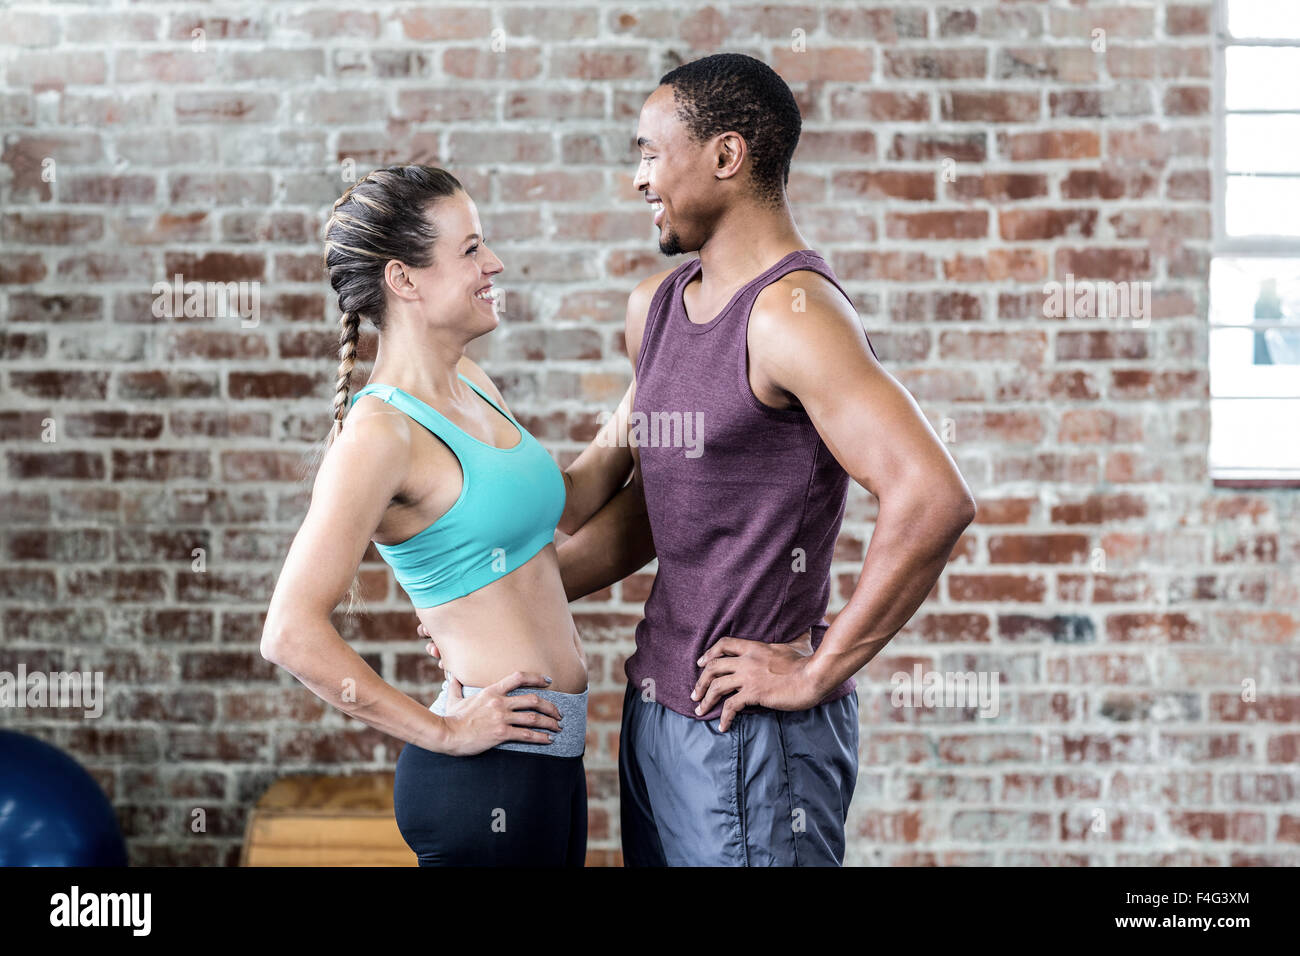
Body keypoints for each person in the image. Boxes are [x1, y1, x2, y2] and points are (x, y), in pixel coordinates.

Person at [550, 53, 978, 866]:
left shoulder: (795, 315)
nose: (640, 179)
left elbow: (932, 496)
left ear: (726, 155)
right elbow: (649, 506)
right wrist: (500, 600)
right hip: (656, 713)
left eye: (650, 151)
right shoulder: (658, 308)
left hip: (751, 741)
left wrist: (817, 670)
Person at [260, 165, 635, 866]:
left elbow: (575, 502)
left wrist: (654, 382)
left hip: (549, 761)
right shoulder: (380, 435)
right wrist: (444, 732)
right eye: (470, 249)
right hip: (484, 778)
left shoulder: (470, 383)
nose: (493, 263)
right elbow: (289, 633)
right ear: (404, 279)